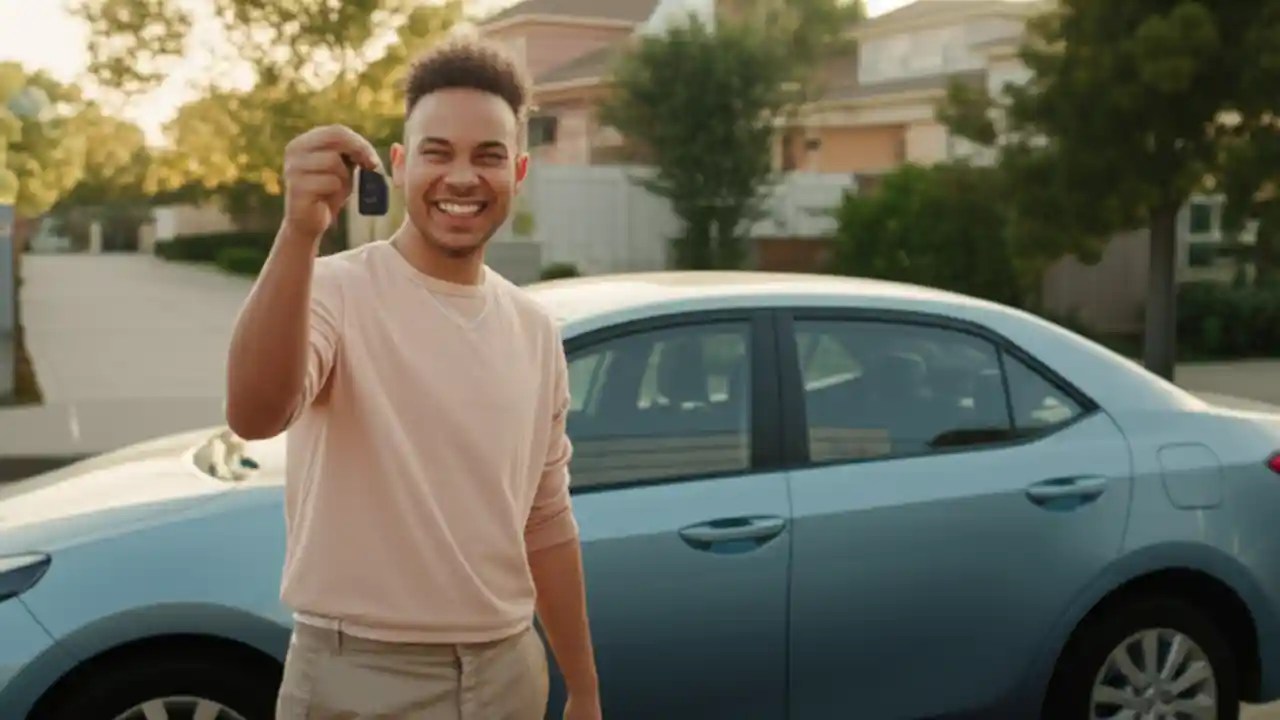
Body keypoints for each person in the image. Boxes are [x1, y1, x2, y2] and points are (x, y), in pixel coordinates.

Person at [224, 35, 602, 720]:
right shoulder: (333, 289)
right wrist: (297, 234)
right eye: (437, 152)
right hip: (358, 676)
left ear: (518, 172)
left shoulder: (534, 329)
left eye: (487, 156)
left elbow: (546, 521)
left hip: (509, 673)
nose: (462, 177)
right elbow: (255, 413)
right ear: (399, 166)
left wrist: (584, 688)